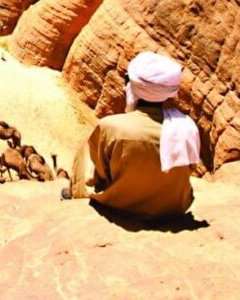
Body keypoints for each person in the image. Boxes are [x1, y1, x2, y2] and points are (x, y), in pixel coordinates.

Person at [64, 51, 203, 220]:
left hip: (123, 207)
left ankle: (76, 191)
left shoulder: (113, 127)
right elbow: (189, 169)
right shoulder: (187, 127)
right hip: (173, 208)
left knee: (88, 148)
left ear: (132, 86)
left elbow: (98, 168)